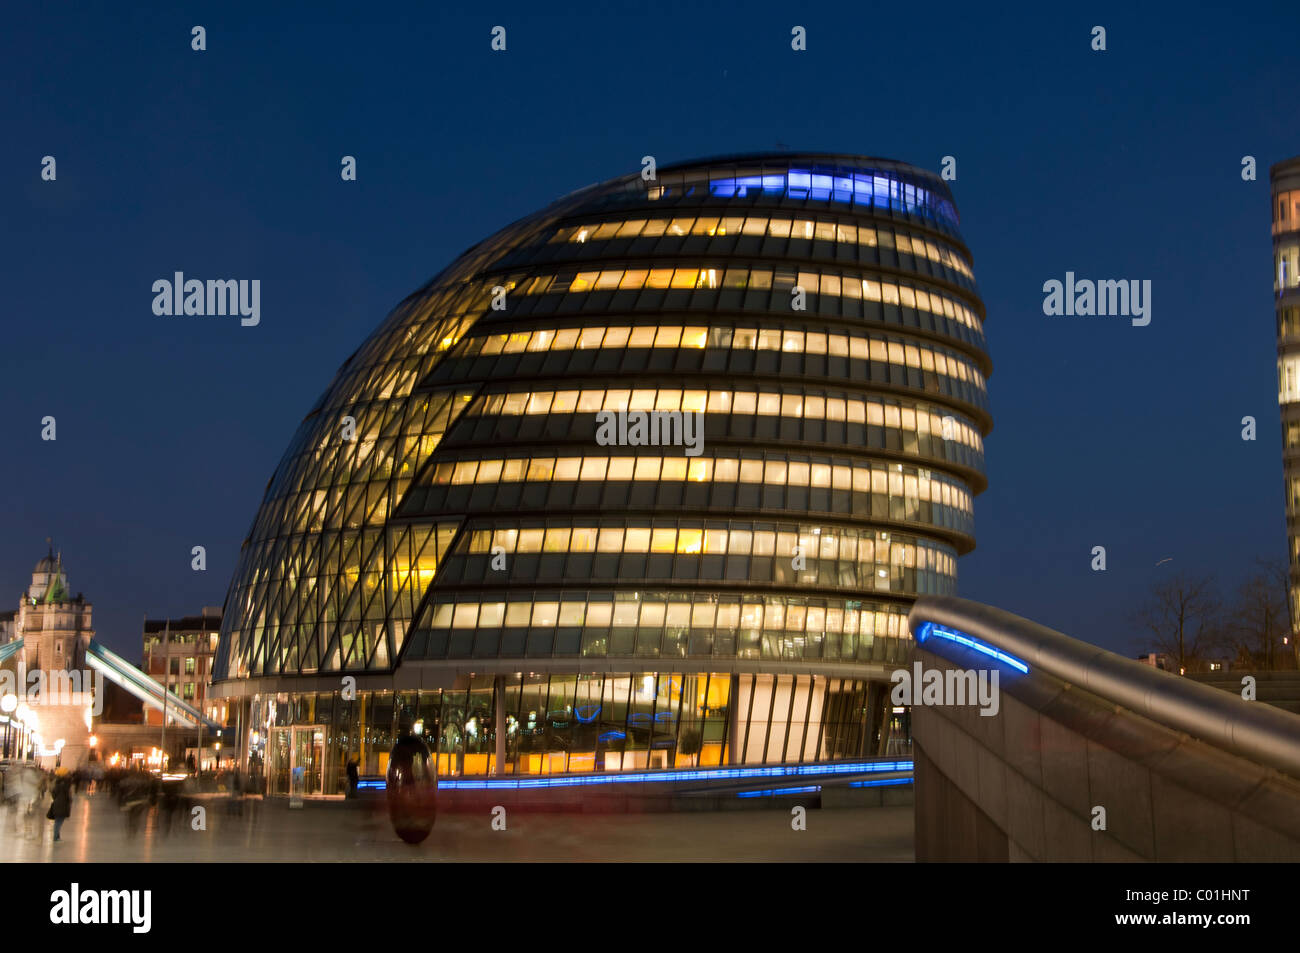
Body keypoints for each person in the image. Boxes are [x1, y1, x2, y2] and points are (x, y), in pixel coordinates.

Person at [47, 769, 72, 842]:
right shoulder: (64, 784)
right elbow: (67, 796)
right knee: (58, 822)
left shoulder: (58, 783)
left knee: (58, 822)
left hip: (58, 804)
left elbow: (53, 793)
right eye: (67, 774)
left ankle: (57, 837)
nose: (69, 775)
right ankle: (56, 837)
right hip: (61, 805)